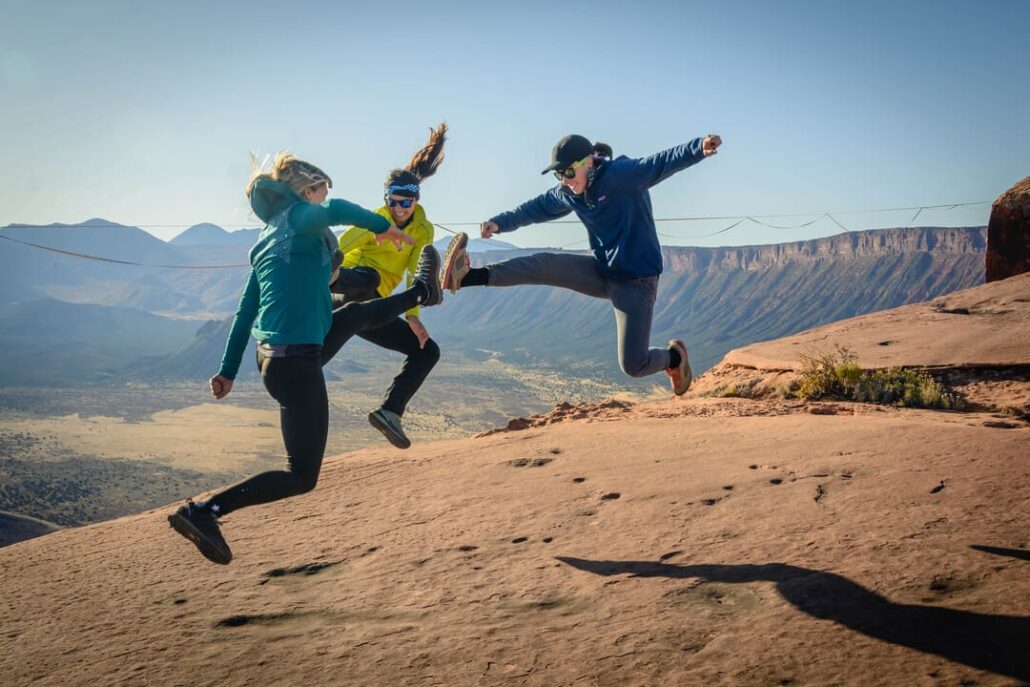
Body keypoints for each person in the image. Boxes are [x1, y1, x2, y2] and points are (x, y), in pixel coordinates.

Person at [168, 151, 444, 565]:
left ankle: (420, 292)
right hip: (297, 363)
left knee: (353, 315)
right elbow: (338, 210)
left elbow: (245, 313)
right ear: (306, 192)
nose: (325, 198)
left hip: (275, 357)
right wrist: (384, 227)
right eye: (321, 191)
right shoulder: (300, 217)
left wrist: (227, 370)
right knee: (301, 476)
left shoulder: (265, 240)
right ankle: (205, 512)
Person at [440, 133, 723, 395]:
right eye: (558, 174)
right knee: (543, 265)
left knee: (633, 365)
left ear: (588, 163)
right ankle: (467, 277)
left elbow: (660, 163)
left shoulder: (621, 176)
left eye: (568, 172)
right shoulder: (568, 192)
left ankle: (674, 357)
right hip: (601, 271)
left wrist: (698, 148)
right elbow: (534, 209)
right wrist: (499, 222)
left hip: (636, 282)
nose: (564, 180)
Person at [330, 123, 447, 449]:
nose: (399, 209)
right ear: (385, 199)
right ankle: (330, 279)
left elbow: (416, 273)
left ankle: (390, 412)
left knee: (427, 351)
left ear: (416, 201)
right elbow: (345, 240)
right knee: (371, 277)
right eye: (393, 202)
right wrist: (339, 256)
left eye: (405, 203)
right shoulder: (376, 220)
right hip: (345, 288)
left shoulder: (422, 231)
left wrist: (413, 316)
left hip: (373, 307)